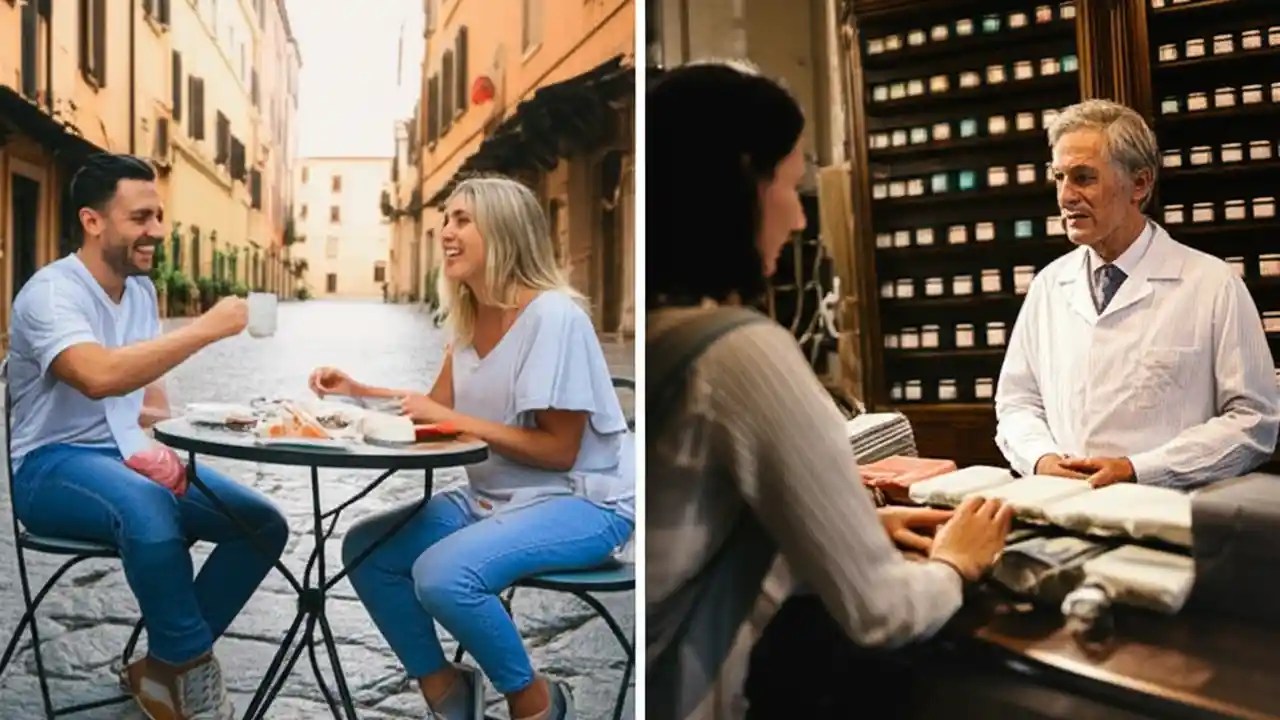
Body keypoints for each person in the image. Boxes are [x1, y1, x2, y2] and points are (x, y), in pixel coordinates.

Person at [645, 60, 1014, 720]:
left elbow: (693, 524)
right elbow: (879, 611)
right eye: (790, 181)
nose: (798, 218)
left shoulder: (657, 331)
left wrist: (855, 526)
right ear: (740, 185)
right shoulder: (741, 350)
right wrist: (956, 564)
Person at [309, 176, 632, 720]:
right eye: (446, 220)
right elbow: (434, 414)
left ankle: (537, 703)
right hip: (493, 499)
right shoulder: (468, 317)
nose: (446, 232)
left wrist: (453, 418)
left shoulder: (553, 317)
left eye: (463, 220)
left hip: (583, 501)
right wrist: (358, 392)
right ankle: (449, 693)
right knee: (366, 551)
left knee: (442, 574)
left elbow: (559, 451)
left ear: (504, 231)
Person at [5, 153, 288, 720]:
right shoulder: (51, 294)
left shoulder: (139, 293)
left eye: (158, 216)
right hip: (48, 466)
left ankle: (163, 668)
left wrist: (183, 431)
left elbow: (151, 401)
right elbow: (97, 376)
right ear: (93, 221)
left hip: (124, 457)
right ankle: (190, 682)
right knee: (150, 508)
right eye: (140, 218)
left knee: (259, 525)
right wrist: (206, 329)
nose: (157, 230)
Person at [995, 99, 1280, 489]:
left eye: (1084, 177)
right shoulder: (1049, 285)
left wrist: (1138, 469)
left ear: (1140, 184)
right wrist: (1041, 459)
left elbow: (1254, 421)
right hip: (1061, 504)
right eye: (1059, 177)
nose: (1065, 196)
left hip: (1166, 512)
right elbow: (1017, 402)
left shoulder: (1213, 285)